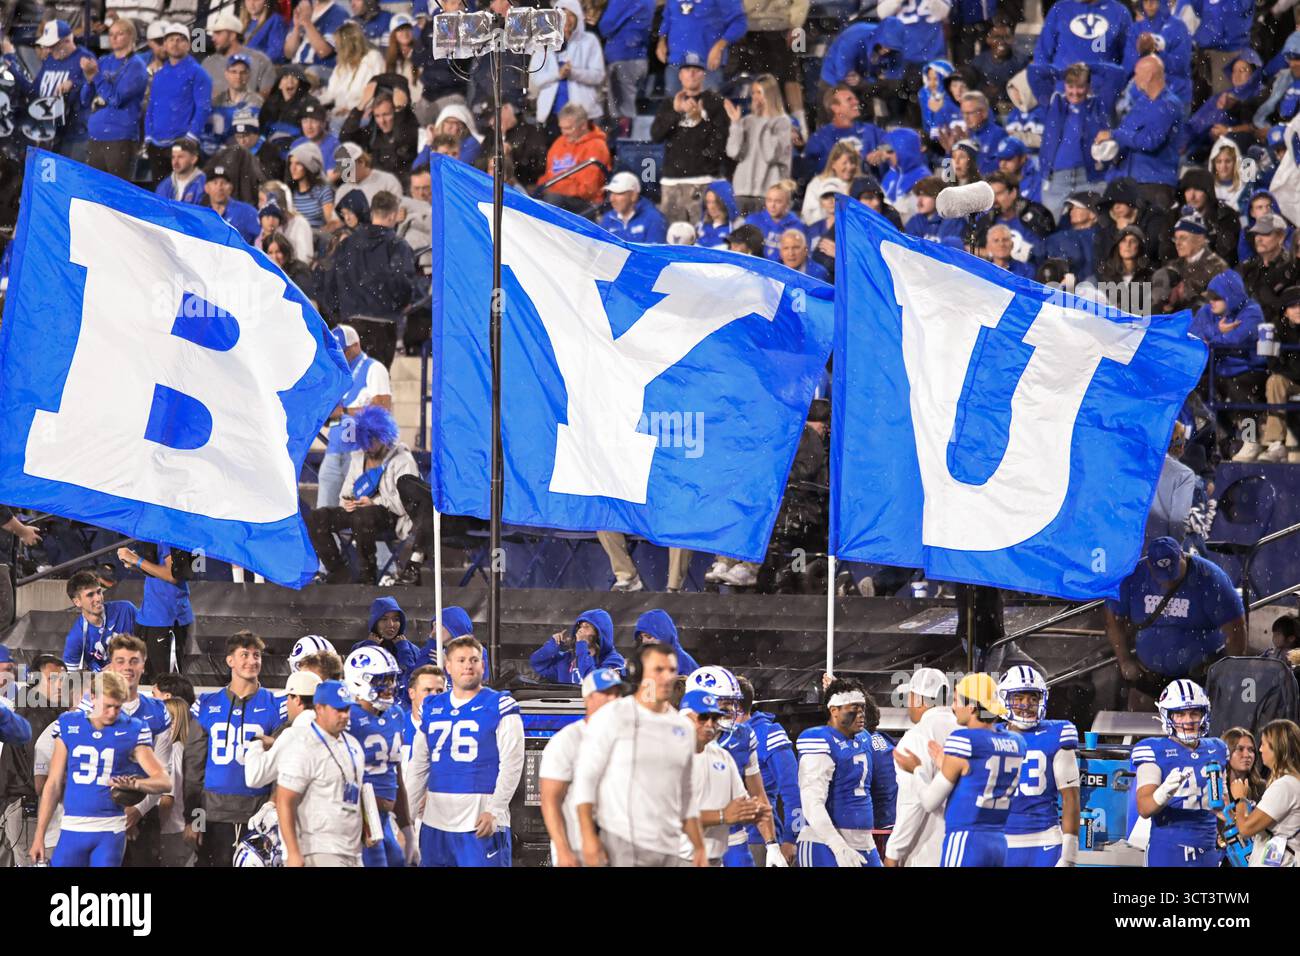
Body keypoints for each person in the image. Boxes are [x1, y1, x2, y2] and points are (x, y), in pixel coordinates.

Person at [570, 643, 706, 867]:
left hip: (669, 848)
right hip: (620, 845)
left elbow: (685, 794)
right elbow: (585, 783)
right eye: (658, 670)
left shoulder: (683, 728)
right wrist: (588, 838)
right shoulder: (610, 718)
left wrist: (699, 845)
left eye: (671, 670)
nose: (667, 677)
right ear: (638, 673)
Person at [30, 671, 170, 867]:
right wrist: (39, 835)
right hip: (72, 825)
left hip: (110, 828)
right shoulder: (69, 724)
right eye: (107, 706)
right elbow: (52, 784)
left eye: (117, 707)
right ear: (93, 697)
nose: (112, 713)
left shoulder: (134, 729)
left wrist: (136, 783)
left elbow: (164, 781)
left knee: (104, 898)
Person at [406, 636, 523, 866]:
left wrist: (495, 810)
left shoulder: (500, 704)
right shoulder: (431, 707)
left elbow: (512, 763)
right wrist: (406, 819)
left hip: (479, 819)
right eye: (461, 660)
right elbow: (418, 766)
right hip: (436, 823)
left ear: (483, 665)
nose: (468, 665)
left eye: (474, 659)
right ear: (448, 666)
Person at [1106, 536, 1247, 711]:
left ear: (1182, 555)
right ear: (1149, 565)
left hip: (1199, 678)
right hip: (1149, 678)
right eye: (1161, 576)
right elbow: (1113, 622)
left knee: (1195, 730)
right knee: (1143, 732)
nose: (1167, 580)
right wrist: (1125, 660)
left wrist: (1228, 671)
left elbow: (1235, 629)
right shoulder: (1132, 577)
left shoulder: (1211, 577)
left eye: (1172, 572)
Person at [184, 631, 287, 867]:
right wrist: (194, 819)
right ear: (230, 660)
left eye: (256, 655)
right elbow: (193, 769)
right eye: (244, 655)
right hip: (213, 816)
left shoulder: (275, 705)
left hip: (256, 815)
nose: (252, 661)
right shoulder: (207, 704)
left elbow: (280, 768)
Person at [905, 673, 1024, 867]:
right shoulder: (1015, 742)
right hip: (998, 842)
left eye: (955, 700)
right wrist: (947, 763)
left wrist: (916, 769)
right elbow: (980, 776)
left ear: (971, 707)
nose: (952, 707)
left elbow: (929, 801)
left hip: (966, 840)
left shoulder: (964, 741)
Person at [309, 406, 419, 584]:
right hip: (359, 513)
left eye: (372, 441)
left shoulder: (402, 460)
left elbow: (408, 502)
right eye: (364, 441)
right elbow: (346, 492)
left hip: (390, 515)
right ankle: (337, 570)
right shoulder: (359, 457)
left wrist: (374, 502)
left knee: (363, 517)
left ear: (384, 436)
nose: (368, 446)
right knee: (317, 517)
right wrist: (348, 502)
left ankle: (367, 574)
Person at [682, 666, 780, 866]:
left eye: (733, 703)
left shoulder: (738, 740)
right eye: (724, 704)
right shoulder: (669, 744)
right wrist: (722, 815)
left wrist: (772, 844)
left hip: (732, 837)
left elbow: (757, 797)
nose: (730, 711)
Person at [96, 635, 174, 867]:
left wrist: (136, 811)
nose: (127, 667)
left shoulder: (158, 712)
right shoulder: (90, 709)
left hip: (143, 812)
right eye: (120, 661)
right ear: (110, 664)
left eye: (134, 661)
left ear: (144, 664)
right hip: (98, 813)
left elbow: (163, 771)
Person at [1132, 679, 1228, 867]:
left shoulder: (1217, 748)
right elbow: (1144, 808)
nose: (1188, 720)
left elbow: (1222, 805)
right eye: (1180, 714)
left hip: (1208, 849)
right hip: (1168, 849)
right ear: (1167, 716)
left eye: (1194, 713)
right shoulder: (1153, 749)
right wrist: (1164, 791)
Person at [275, 679, 366, 866]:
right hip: (319, 848)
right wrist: (292, 852)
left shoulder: (353, 744)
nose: (344, 715)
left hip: (353, 849)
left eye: (347, 709)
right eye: (338, 709)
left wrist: (367, 827)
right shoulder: (303, 746)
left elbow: (357, 792)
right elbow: (284, 800)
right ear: (319, 708)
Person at [996, 666, 1081, 867]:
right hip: (999, 838)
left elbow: (1071, 797)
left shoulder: (1057, 733)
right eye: (1019, 698)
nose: (1027, 704)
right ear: (1004, 699)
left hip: (1044, 839)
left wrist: (1069, 854)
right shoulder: (991, 735)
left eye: (1033, 698)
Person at [538, 667, 624, 866]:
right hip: (577, 849)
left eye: (617, 693)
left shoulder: (628, 740)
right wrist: (562, 850)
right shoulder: (567, 740)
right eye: (606, 693)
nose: (614, 699)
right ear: (588, 698)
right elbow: (550, 801)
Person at [795, 677, 880, 866]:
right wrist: (837, 845)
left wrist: (842, 686)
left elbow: (874, 716)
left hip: (864, 841)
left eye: (862, 708)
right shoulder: (820, 740)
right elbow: (811, 802)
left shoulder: (864, 738)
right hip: (824, 843)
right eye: (854, 709)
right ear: (834, 710)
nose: (860, 714)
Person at [342, 646, 415, 867]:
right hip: (357, 818)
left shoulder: (395, 714)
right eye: (381, 680)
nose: (390, 687)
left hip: (385, 820)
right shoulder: (346, 717)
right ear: (358, 680)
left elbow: (397, 773)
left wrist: (407, 827)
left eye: (392, 679)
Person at [1191, 270, 1268, 461]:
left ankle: (1251, 440)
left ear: (1230, 297)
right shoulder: (1207, 312)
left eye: (1217, 298)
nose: (1211, 302)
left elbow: (1236, 339)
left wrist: (1212, 339)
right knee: (1199, 388)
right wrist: (1216, 330)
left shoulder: (1252, 312)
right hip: (1219, 369)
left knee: (1239, 391)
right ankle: (1229, 435)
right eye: (1210, 297)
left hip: (1249, 369)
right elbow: (1193, 336)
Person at [678, 688, 759, 866]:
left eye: (714, 718)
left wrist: (751, 811)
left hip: (716, 858)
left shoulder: (722, 756)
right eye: (703, 717)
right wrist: (722, 815)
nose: (710, 724)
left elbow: (742, 802)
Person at [318, 323, 392, 510]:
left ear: (356, 345)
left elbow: (382, 408)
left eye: (343, 350)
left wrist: (344, 412)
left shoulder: (374, 369)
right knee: (323, 513)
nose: (339, 354)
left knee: (357, 513)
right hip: (334, 450)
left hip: (361, 453)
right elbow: (334, 418)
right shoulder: (338, 375)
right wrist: (328, 416)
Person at [651, 58, 731, 226]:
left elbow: (722, 139)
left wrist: (702, 118)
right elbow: (656, 135)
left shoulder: (715, 102)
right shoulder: (669, 103)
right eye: (687, 69)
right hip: (672, 181)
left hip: (703, 180)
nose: (692, 73)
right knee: (672, 237)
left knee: (701, 234)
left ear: (704, 75)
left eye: (696, 69)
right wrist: (676, 112)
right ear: (680, 75)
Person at [1094, 56, 1181, 208]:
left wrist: (1114, 135)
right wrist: (1107, 148)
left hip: (1153, 184)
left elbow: (1150, 141)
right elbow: (1124, 134)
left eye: (1136, 73)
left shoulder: (1169, 105)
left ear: (1149, 75)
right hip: (1124, 181)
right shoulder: (1140, 103)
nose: (1134, 78)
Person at [733, 675, 799, 865]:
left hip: (758, 839)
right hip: (725, 835)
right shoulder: (721, 734)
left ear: (736, 706)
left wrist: (790, 839)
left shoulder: (767, 733)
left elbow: (792, 789)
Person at [1035, 63, 1112, 219]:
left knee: (1097, 226)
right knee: (1048, 228)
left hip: (1090, 177)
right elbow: (1034, 72)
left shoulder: (1098, 105)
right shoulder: (1054, 103)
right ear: (1064, 85)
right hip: (1057, 178)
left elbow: (1117, 74)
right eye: (1070, 86)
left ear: (1089, 86)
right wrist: (1066, 70)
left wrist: (1088, 67)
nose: (1075, 92)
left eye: (1081, 86)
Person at [144, 22, 213, 184]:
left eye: (180, 39)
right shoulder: (159, 75)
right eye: (170, 39)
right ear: (165, 45)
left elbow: (203, 107)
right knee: (160, 194)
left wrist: (191, 137)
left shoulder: (198, 73)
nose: (175, 43)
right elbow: (151, 107)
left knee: (183, 192)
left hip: (182, 143)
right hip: (156, 144)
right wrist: (148, 136)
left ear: (189, 45)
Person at [80, 16, 147, 179]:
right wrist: (89, 80)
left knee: (117, 196)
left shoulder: (136, 65)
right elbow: (84, 99)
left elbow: (116, 99)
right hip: (96, 135)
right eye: (111, 34)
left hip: (120, 137)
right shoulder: (103, 61)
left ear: (131, 36)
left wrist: (95, 77)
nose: (114, 38)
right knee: (95, 195)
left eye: (120, 33)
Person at [116, 543, 194, 681]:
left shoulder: (169, 534)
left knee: (166, 683)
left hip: (167, 620)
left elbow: (172, 575)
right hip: (148, 617)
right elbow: (158, 571)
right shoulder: (157, 534)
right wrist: (137, 564)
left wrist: (137, 560)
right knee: (144, 678)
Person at [1228, 719, 1300, 864]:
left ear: (1277, 748)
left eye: (1263, 744)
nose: (1260, 749)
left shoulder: (1285, 786)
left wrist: (1240, 799)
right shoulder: (1291, 782)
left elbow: (1245, 829)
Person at [528, 0, 604, 129]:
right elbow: (536, 79)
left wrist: (573, 73)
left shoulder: (589, 41)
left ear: (578, 18)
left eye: (571, 15)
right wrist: (558, 74)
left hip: (583, 115)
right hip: (552, 115)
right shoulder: (544, 42)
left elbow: (598, 76)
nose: (566, 20)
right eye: (562, 14)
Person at [241, 668, 321, 791]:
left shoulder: (294, 734)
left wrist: (256, 743)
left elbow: (254, 778)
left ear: (297, 700)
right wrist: (276, 742)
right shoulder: (332, 730)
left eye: (288, 698)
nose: (286, 704)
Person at [724, 73, 792, 206]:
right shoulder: (747, 121)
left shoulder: (782, 122)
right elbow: (733, 152)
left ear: (770, 95)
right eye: (753, 93)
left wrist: (766, 118)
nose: (755, 97)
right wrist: (736, 124)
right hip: (742, 192)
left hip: (768, 194)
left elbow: (771, 155)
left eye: (759, 92)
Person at [657, 0, 746, 94]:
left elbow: (739, 23)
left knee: (707, 105)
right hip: (677, 61)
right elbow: (667, 18)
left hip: (707, 63)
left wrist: (720, 45)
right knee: (672, 105)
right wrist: (661, 40)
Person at [61, 569, 137, 672]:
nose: (98, 598)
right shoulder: (75, 638)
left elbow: (148, 643)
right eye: (90, 595)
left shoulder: (125, 610)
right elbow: (70, 680)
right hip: (104, 684)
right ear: (77, 602)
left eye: (99, 592)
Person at [539, 103, 610, 211]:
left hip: (586, 203)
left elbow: (588, 190)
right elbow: (548, 176)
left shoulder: (596, 146)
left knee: (552, 200)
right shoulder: (559, 142)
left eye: (569, 128)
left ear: (583, 126)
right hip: (555, 196)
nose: (564, 133)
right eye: (561, 128)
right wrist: (541, 187)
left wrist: (553, 188)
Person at [803, 83, 883, 179]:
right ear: (835, 108)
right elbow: (809, 171)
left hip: (871, 188)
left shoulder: (870, 130)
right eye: (849, 99)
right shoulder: (819, 139)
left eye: (855, 98)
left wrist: (882, 151)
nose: (856, 102)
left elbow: (895, 143)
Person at [530, 609, 626, 684]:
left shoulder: (614, 660)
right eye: (580, 626)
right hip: (568, 708)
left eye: (586, 626)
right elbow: (537, 664)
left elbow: (596, 683)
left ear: (599, 633)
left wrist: (582, 647)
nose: (580, 630)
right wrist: (552, 647)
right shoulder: (567, 659)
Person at [1261, 285, 1300, 463]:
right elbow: (1273, 364)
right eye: (1293, 306)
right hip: (1292, 380)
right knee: (1275, 381)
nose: (1298, 310)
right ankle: (1275, 443)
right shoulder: (1274, 328)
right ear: (1285, 311)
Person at [598, 172, 667, 244]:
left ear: (633, 196)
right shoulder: (608, 218)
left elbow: (654, 253)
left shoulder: (654, 218)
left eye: (618, 193)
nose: (612, 199)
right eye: (611, 193)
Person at [203, 161, 262, 243]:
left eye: (224, 183)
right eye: (215, 182)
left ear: (231, 188)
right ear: (206, 188)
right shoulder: (202, 214)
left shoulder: (247, 212)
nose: (220, 187)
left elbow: (263, 237)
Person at [285, 0, 351, 69]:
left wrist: (306, 22)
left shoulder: (339, 14)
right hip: (294, 69)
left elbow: (323, 51)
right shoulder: (304, 8)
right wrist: (296, 27)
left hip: (317, 72)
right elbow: (288, 53)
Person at [634, 609, 699, 674]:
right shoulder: (648, 660)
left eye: (648, 636)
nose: (644, 641)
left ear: (663, 635)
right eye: (641, 637)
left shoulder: (685, 663)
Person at [1223, 726, 1267, 804]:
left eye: (1251, 750)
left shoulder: (1263, 788)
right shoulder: (1215, 787)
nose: (1247, 755)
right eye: (1240, 749)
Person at [155, 139, 207, 204]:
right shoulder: (164, 185)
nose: (175, 162)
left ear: (193, 159)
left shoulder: (205, 184)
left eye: (180, 157)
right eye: (173, 157)